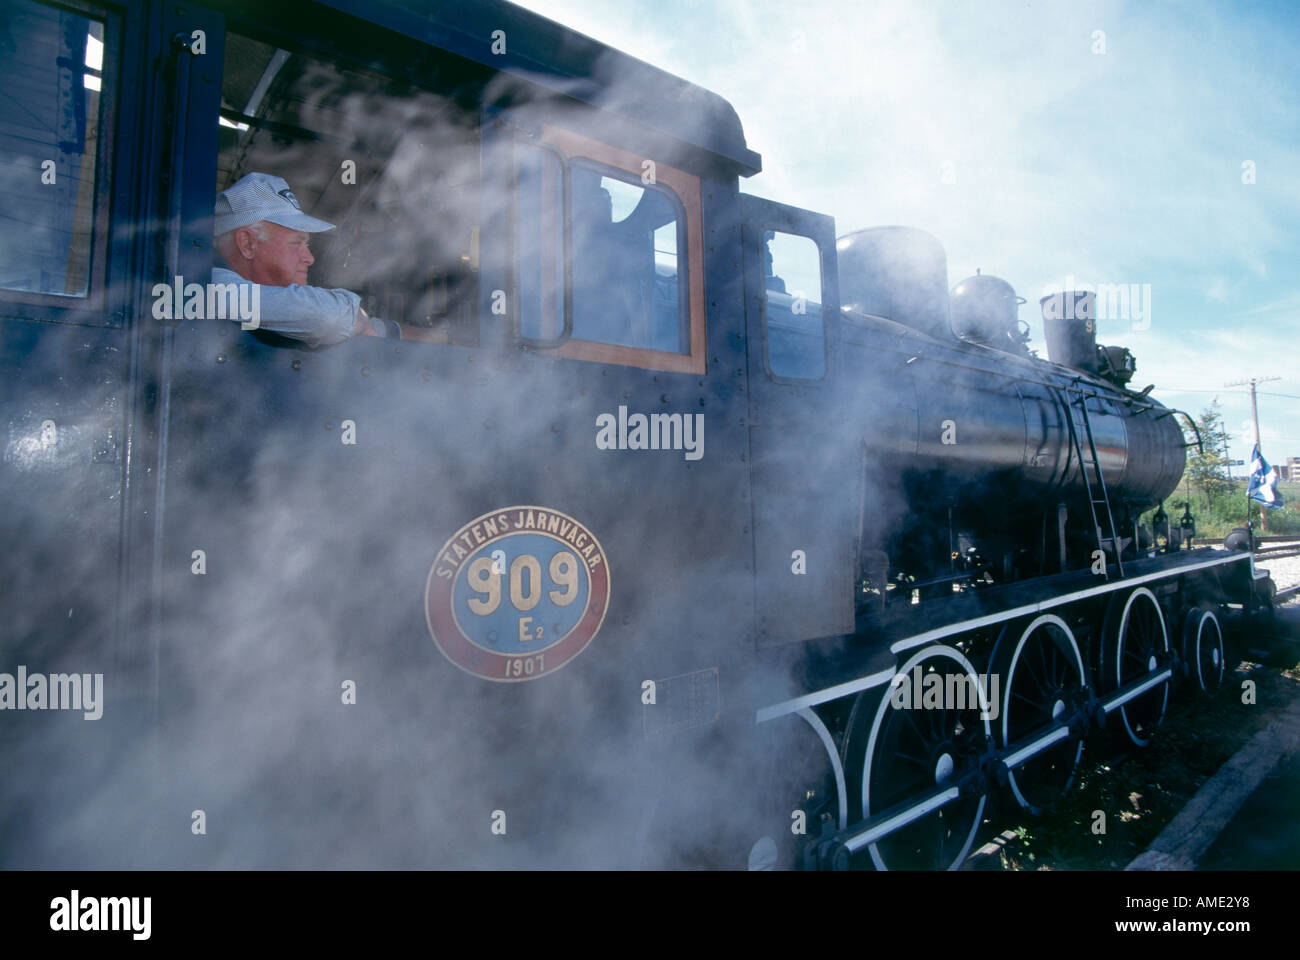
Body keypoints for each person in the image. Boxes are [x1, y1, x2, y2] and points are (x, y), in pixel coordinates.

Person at [212, 172, 402, 347]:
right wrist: (355, 316)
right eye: (297, 243)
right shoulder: (206, 284)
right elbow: (327, 317)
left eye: (307, 246)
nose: (309, 259)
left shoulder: (255, 308)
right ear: (247, 243)